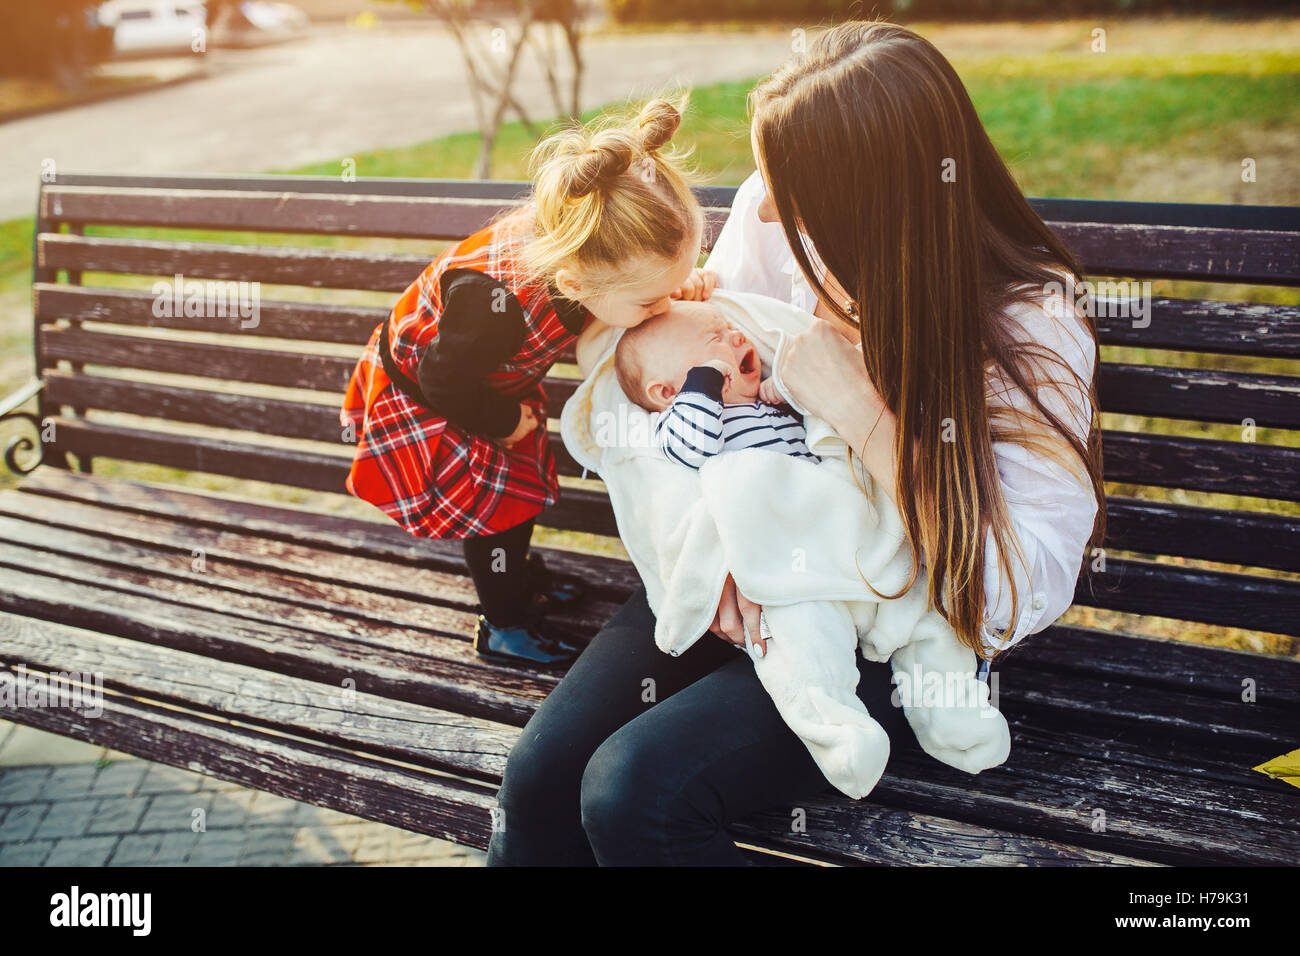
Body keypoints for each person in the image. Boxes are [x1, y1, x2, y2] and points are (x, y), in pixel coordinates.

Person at [487, 20, 1104, 865]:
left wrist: (862, 412)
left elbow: (1006, 596)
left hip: (889, 613)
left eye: (793, 198)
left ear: (877, 209)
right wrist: (704, 552)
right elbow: (649, 387)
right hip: (736, 567)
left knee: (634, 792)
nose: (768, 215)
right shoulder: (773, 217)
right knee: (540, 774)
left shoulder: (1029, 327)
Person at [340, 97, 709, 668]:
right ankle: (504, 625)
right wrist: (506, 422)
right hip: (433, 395)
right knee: (497, 510)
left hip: (481, 383)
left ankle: (517, 577)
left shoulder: (589, 240)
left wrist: (675, 289)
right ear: (574, 281)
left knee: (515, 503)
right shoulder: (495, 309)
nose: (660, 305)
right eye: (649, 299)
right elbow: (442, 375)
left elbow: (619, 295)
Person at [613, 299, 817, 468]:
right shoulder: (676, 424)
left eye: (730, 328)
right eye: (715, 338)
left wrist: (786, 391)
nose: (738, 336)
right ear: (667, 392)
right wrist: (707, 378)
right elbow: (692, 449)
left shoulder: (764, 400)